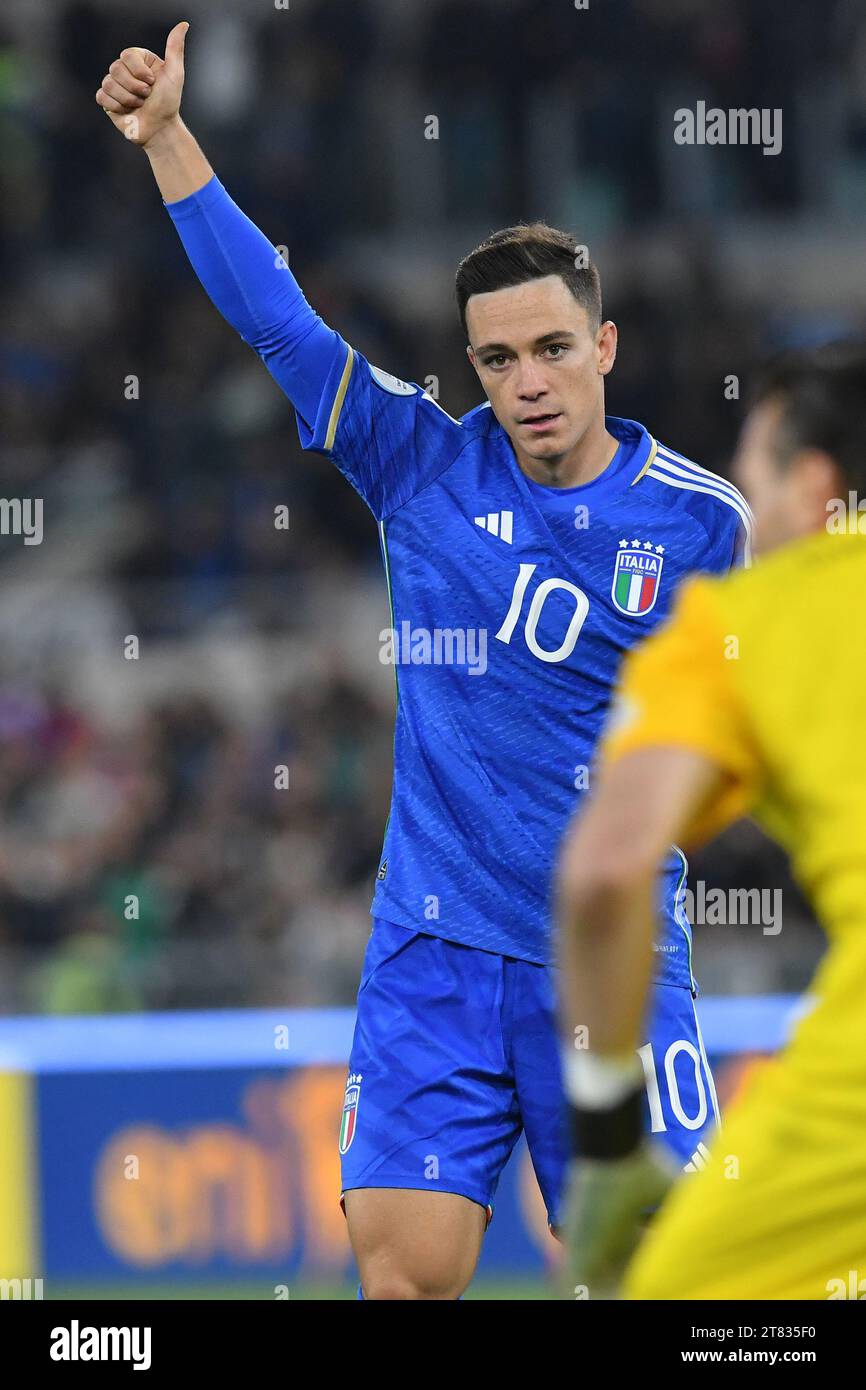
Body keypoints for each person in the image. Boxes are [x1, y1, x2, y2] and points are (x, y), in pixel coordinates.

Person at [96, 22, 750, 1299]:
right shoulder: (420, 464)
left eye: (553, 349)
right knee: (404, 1276)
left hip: (604, 954)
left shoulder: (701, 523)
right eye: (497, 359)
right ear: (473, 368)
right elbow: (277, 323)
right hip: (431, 946)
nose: (528, 382)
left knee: (652, 1281)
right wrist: (169, 137)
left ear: (602, 348)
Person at [558, 342, 866, 1299]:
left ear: (814, 485)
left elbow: (607, 872)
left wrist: (608, 1136)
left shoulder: (735, 627)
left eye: (753, 487)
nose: (745, 519)